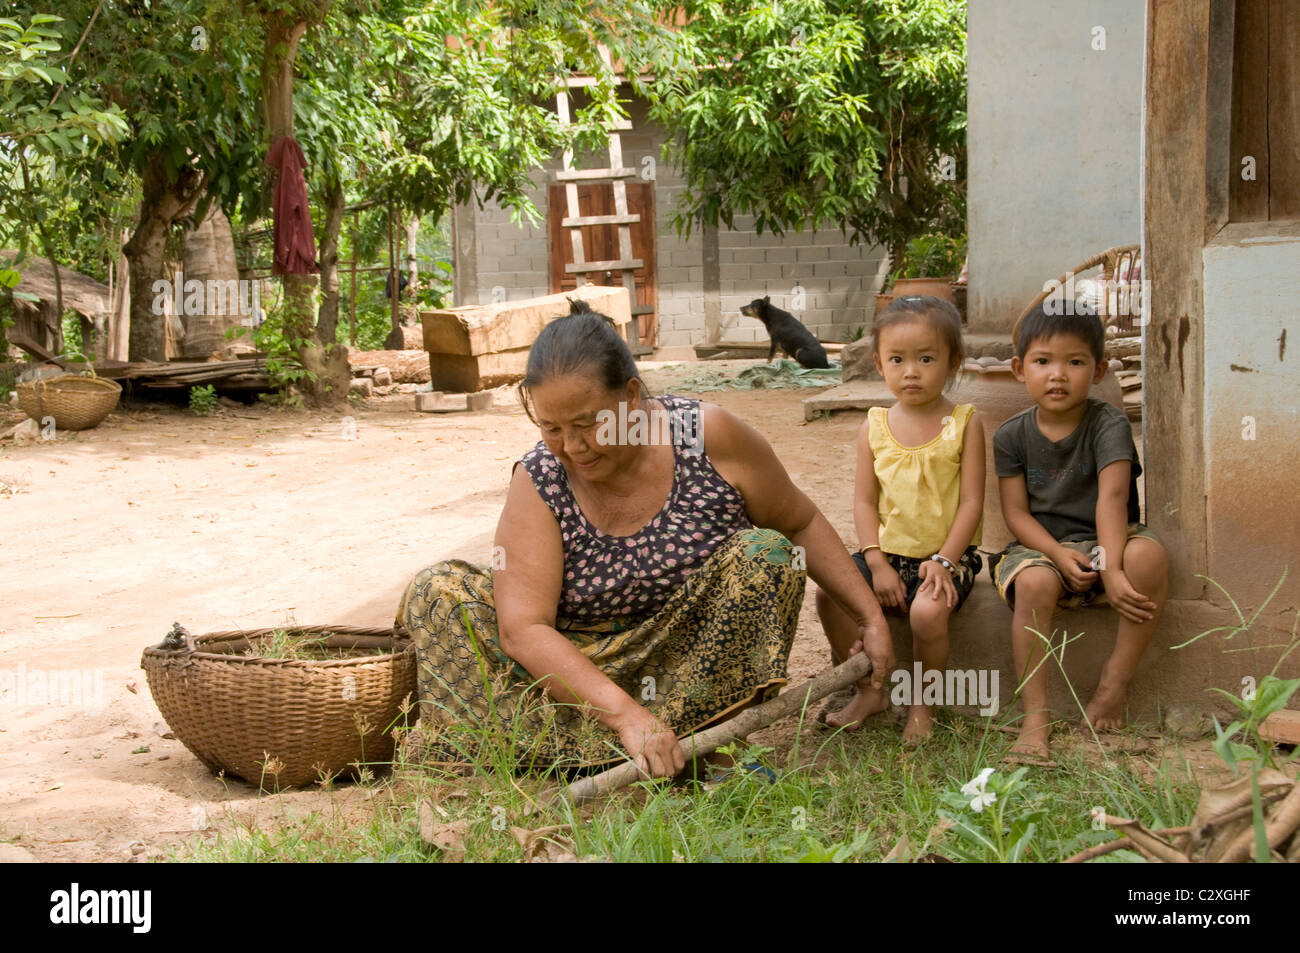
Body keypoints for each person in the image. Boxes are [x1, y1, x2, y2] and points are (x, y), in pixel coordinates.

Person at [396, 304, 892, 778]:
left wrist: (869, 616)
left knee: (766, 555)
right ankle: (600, 747)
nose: (572, 447)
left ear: (631, 396)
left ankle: (707, 742)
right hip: (574, 681)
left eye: (588, 424)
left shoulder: (706, 436)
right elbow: (524, 630)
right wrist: (623, 714)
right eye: (551, 428)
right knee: (438, 591)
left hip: (689, 666)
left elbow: (798, 522)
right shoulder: (541, 478)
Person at [990, 303, 1168, 760]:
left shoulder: (1107, 423)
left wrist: (1110, 568)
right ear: (1019, 368)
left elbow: (1112, 500)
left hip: (1107, 539)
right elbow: (1017, 515)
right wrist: (1054, 552)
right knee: (1033, 581)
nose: (1058, 375)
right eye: (1043, 361)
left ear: (1099, 369)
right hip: (1041, 546)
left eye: (1075, 362)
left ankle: (1115, 681)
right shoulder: (1011, 436)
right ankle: (1035, 716)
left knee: (1149, 557)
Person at [815, 296, 985, 742]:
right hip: (886, 555)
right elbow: (864, 503)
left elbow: (971, 504)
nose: (911, 371)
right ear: (878, 363)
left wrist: (945, 561)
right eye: (897, 359)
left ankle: (922, 703)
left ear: (953, 363)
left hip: (947, 558)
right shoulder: (874, 426)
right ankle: (868, 689)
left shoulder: (963, 422)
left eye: (926, 358)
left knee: (928, 614)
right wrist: (875, 563)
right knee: (829, 594)